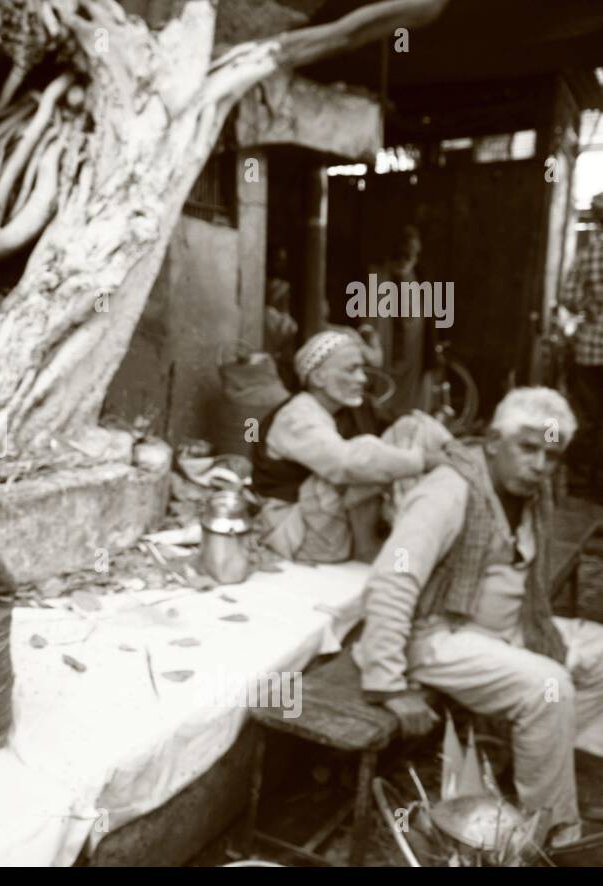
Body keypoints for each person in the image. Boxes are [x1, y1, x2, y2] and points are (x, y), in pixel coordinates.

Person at [355, 387, 603, 846]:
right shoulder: (448, 491)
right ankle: (552, 835)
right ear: (492, 441)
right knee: (548, 689)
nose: (539, 466)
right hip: (435, 635)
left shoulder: (528, 492)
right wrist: (388, 683)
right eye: (527, 448)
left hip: (501, 633)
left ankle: (533, 767)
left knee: (599, 657)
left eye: (551, 455)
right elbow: (393, 579)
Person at [253, 328, 451, 563]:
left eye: (361, 369)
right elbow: (345, 463)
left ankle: (416, 537)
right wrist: (423, 461)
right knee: (366, 459)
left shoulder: (349, 408)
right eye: (351, 370)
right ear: (318, 378)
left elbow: (403, 422)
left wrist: (451, 447)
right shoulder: (296, 417)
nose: (363, 379)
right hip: (298, 532)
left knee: (412, 426)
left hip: (326, 521)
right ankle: (373, 547)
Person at [559, 192, 603, 501]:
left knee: (588, 416)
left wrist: (589, 305)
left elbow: (568, 296)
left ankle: (580, 480)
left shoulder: (590, 254)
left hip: (591, 348)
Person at [367, 225, 427, 419]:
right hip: (386, 342)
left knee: (407, 393)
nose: (407, 261)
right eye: (403, 255)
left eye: (411, 256)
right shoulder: (377, 277)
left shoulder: (415, 279)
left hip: (410, 347)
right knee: (383, 383)